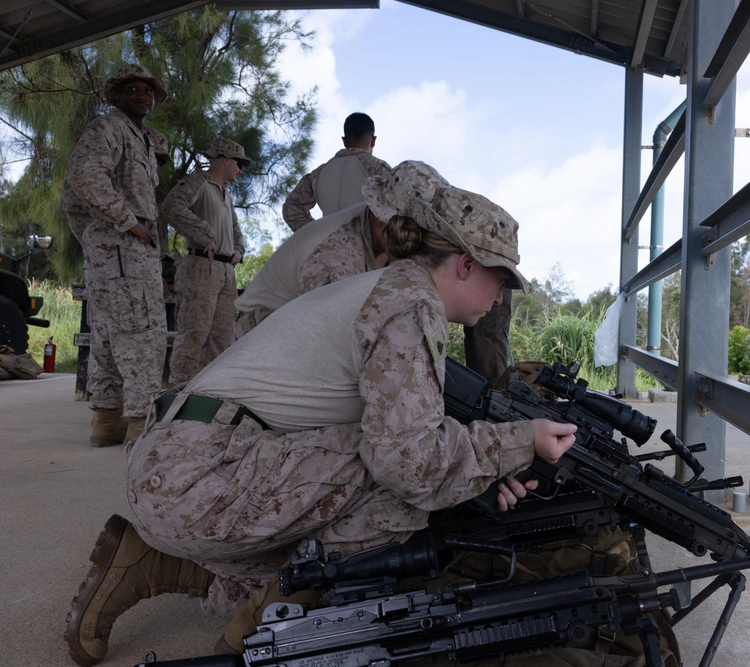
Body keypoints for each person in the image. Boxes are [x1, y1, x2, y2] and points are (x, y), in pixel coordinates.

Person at [64, 173, 578, 667]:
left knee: (364, 518)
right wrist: (521, 441)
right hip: (194, 475)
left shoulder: (391, 286)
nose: (500, 298)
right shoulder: (409, 303)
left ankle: (151, 564)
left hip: (182, 466)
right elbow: (409, 462)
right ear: (465, 264)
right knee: (399, 491)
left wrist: (482, 468)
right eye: (500, 280)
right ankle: (257, 638)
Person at [64, 63, 168, 447]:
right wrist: (127, 225)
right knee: (141, 335)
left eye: (148, 90)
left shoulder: (142, 139)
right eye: (132, 89)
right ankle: (141, 426)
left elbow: (71, 204)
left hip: (120, 251)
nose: (142, 95)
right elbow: (82, 176)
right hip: (126, 248)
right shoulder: (110, 127)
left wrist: (96, 242)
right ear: (117, 95)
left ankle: (106, 421)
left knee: (108, 334)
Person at [232, 160, 444, 340]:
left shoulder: (377, 231)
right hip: (262, 335)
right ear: (381, 218)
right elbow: (327, 340)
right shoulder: (335, 259)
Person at [160, 138, 248, 386]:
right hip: (201, 267)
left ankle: (210, 391)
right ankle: (181, 391)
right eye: (239, 164)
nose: (241, 170)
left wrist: (239, 249)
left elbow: (235, 228)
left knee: (222, 337)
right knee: (195, 333)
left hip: (226, 272)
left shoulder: (226, 194)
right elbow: (171, 207)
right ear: (225, 159)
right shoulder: (198, 181)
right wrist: (203, 235)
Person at [281, 112, 390, 231]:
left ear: (344, 140)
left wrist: (318, 235)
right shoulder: (378, 168)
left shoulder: (318, 174)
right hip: (368, 242)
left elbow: (291, 208)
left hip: (330, 241)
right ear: (373, 141)